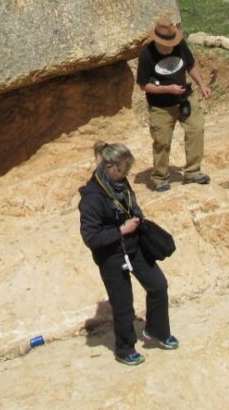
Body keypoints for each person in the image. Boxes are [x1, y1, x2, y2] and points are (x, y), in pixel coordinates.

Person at [78, 141, 178, 366]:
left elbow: (131, 206)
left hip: (134, 247)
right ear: (109, 167)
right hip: (111, 255)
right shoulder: (92, 198)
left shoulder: (120, 184)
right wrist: (120, 230)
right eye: (123, 170)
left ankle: (157, 331)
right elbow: (90, 237)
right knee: (123, 304)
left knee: (158, 285)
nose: (126, 175)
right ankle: (125, 348)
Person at [136, 16, 212, 191]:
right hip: (161, 106)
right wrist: (167, 89)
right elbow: (143, 85)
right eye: (165, 46)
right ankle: (160, 177)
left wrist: (202, 84)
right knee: (162, 141)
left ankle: (193, 172)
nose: (169, 48)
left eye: (171, 44)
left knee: (196, 129)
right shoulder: (146, 55)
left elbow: (190, 66)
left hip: (185, 97)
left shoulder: (180, 45)